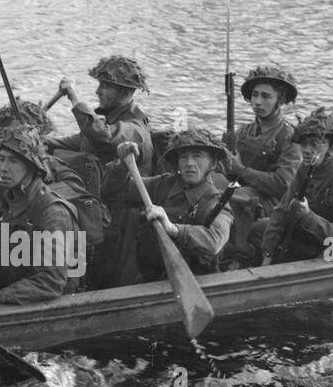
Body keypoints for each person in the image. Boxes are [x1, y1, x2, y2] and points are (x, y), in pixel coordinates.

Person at [47, 55, 153, 288]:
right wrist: (42, 143)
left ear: (125, 92)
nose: (98, 91)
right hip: (98, 209)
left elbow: (102, 135)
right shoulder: (111, 117)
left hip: (122, 218)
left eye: (106, 86)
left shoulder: (133, 128)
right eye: (99, 84)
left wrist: (74, 96)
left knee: (108, 278)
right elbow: (78, 141)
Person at [253, 108, 333, 266]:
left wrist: (307, 215)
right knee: (259, 230)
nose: (307, 150)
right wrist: (268, 255)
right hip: (321, 232)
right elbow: (281, 211)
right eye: (303, 144)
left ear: (332, 147)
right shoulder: (307, 167)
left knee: (327, 257)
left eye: (314, 144)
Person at [0, 125, 81, 306]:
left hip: (47, 302)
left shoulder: (52, 212)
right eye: (1, 159)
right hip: (15, 288)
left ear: (31, 167)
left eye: (13, 161)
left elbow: (52, 281)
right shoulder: (9, 199)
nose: (3, 168)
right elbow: (5, 251)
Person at [116, 128, 233, 281]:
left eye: (197, 156)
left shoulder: (215, 200)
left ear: (213, 164)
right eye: (183, 157)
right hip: (151, 278)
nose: (189, 163)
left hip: (196, 281)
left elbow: (213, 241)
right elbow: (115, 192)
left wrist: (172, 228)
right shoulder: (162, 184)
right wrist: (121, 166)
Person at [226, 64, 304, 214]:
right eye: (255, 95)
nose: (257, 102)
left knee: (229, 197)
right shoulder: (244, 132)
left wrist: (241, 170)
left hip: (271, 203)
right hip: (240, 189)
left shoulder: (290, 137)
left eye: (266, 96)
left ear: (279, 100)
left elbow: (283, 184)